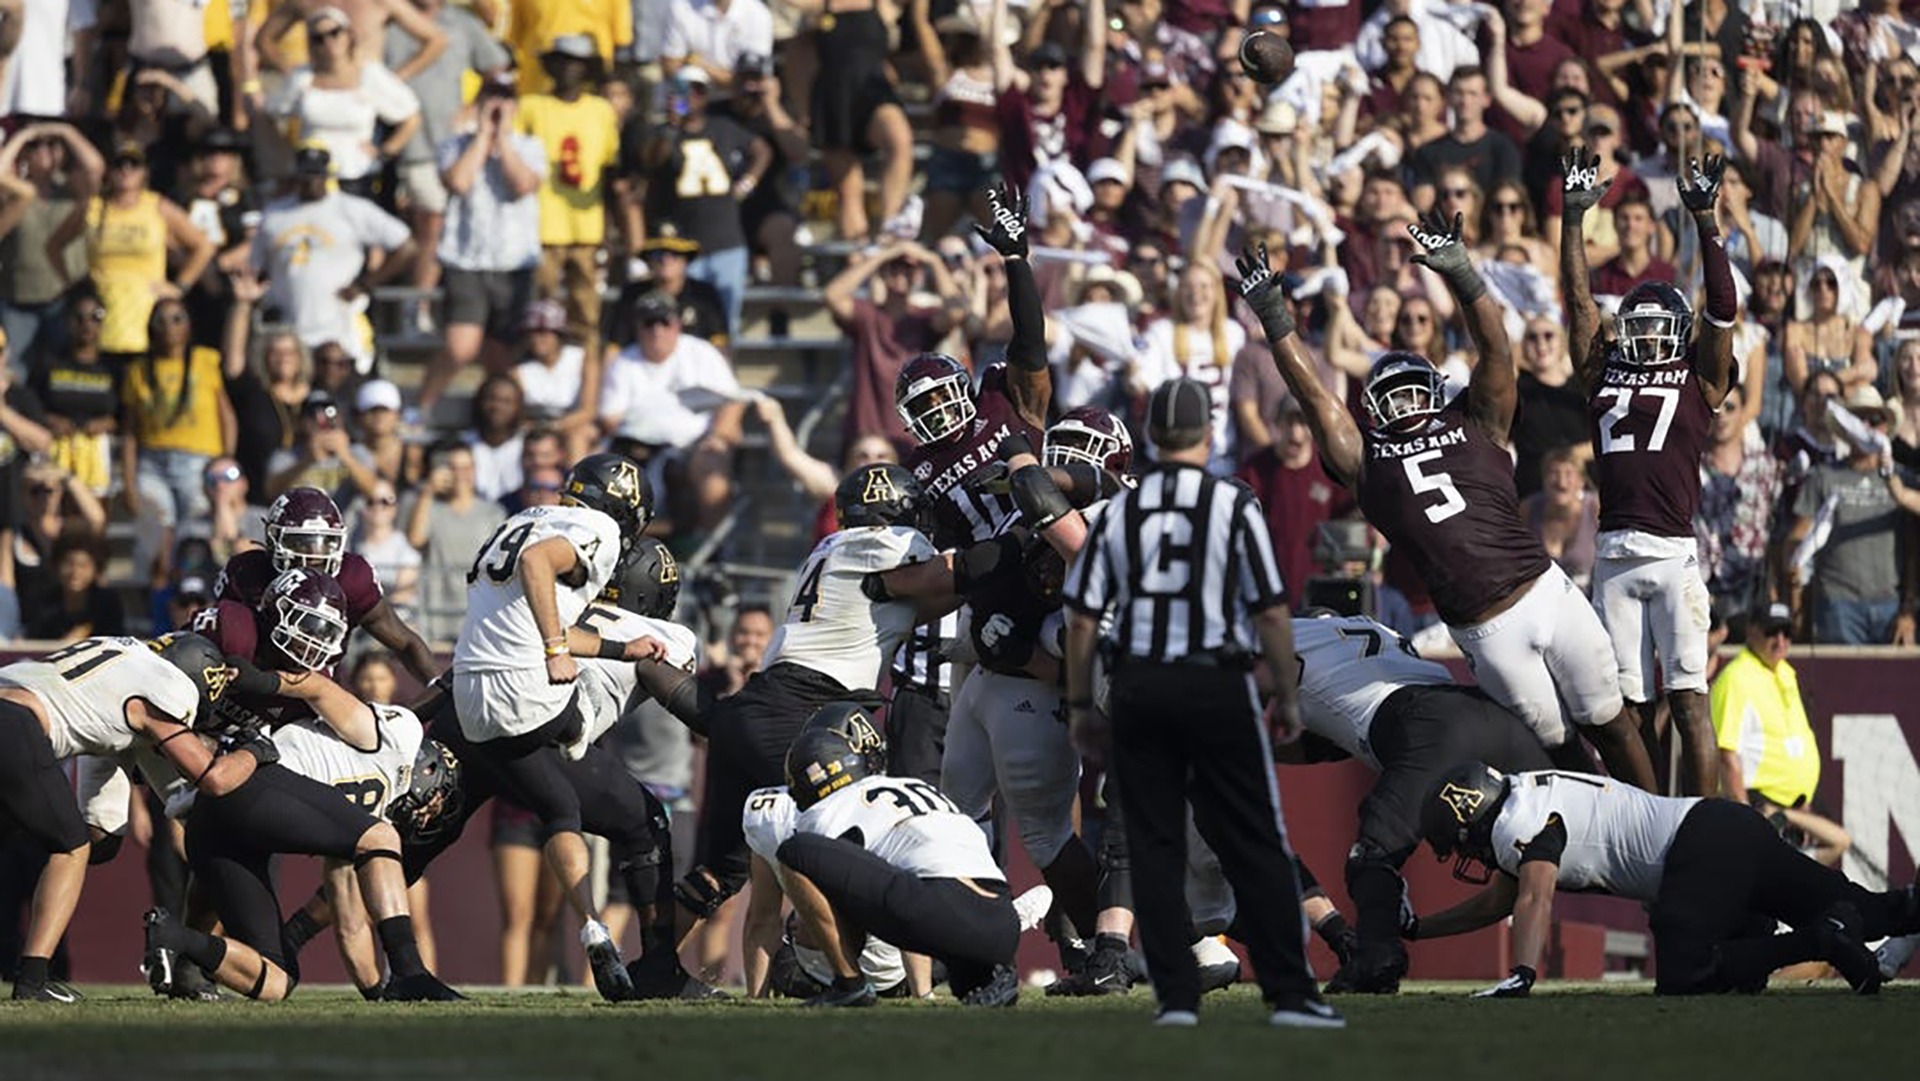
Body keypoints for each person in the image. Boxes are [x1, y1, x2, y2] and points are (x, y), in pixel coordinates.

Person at [1234, 226, 1650, 788]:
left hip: (1544, 591)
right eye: (1393, 394)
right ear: (1373, 408)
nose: (1405, 400)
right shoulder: (1367, 459)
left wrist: (1463, 274)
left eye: (1413, 387)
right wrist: (1274, 318)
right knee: (1557, 752)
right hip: (1486, 629)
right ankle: (1599, 832)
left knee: (1612, 723)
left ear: (1434, 388)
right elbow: (1315, 397)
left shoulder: (1475, 419)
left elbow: (1497, 351)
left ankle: (1662, 824)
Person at [1061, 376, 1341, 1030]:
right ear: (1208, 436)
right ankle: (1290, 992)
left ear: (1152, 437)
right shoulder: (1230, 503)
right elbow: (1271, 608)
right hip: (1213, 683)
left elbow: (1081, 618)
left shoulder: (1118, 511)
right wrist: (1286, 693)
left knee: (1153, 843)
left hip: (1138, 683)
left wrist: (1079, 706)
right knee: (1252, 838)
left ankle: (1177, 998)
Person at [669, 463, 965, 958]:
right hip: (804, 712)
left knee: (722, 870)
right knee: (847, 848)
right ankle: (834, 969)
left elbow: (923, 602)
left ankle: (654, 965)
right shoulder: (882, 544)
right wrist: (1014, 546)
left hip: (755, 707)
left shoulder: (833, 550)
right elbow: (943, 576)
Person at [448, 451, 667, 1000]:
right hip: (529, 692)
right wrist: (554, 649)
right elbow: (538, 564)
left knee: (560, 808)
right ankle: (579, 728)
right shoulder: (600, 529)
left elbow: (531, 606)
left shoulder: (523, 516)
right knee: (585, 707)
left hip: (470, 697)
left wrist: (619, 648)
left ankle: (592, 926)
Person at [1410, 761, 1916, 995]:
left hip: (1700, 851)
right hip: (1728, 826)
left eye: (1461, 843)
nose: (1468, 855)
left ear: (1474, 818)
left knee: (1683, 973)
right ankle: (1835, 932)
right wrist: (1416, 929)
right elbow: (1500, 901)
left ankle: (1823, 939)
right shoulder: (1524, 794)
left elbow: (1534, 899)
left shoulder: (1513, 824)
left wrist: (1522, 973)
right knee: (1874, 911)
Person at [1561, 147, 1736, 797]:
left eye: (1662, 328)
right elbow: (1578, 301)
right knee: (1630, 713)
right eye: (1640, 326)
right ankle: (1652, 820)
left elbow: (1723, 309)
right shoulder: (1602, 368)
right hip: (1612, 553)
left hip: (1670, 553)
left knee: (1689, 701)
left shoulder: (1700, 376)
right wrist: (1573, 220)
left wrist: (1707, 222)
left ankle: (1708, 824)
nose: (1650, 337)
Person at [1278, 610, 1551, 993]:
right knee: (1557, 850)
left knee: (1372, 855)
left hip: (1428, 726)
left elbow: (1255, 639)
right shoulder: (1376, 634)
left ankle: (1377, 958)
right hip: (1490, 717)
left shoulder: (1297, 633)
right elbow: (1326, 744)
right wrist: (1419, 929)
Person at [0, 632, 263, 1001]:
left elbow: (101, 835)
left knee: (55, 839)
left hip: (11, 707)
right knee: (70, 847)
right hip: (15, 726)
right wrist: (255, 750)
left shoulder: (120, 655)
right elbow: (209, 777)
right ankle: (33, 981)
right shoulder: (164, 689)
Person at [769, 715, 1054, 1006]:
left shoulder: (829, 809)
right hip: (1001, 921)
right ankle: (989, 976)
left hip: (940, 909)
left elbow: (832, 918)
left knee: (794, 851)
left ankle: (849, 985)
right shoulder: (911, 785)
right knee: (965, 981)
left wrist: (815, 928)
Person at [414, 72, 545, 419]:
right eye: (491, 97)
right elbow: (458, 181)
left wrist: (503, 140)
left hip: (514, 263)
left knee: (502, 355)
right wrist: (483, 135)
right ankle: (420, 409)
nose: (498, 105)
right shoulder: (455, 145)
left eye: (505, 98)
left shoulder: (530, 146)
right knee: (461, 348)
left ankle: (502, 419)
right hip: (466, 260)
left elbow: (522, 184)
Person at [219, 486, 440, 686]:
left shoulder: (352, 578)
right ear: (272, 539)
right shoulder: (246, 572)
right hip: (249, 687)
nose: (313, 554)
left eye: (325, 542)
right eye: (299, 543)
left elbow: (405, 642)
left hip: (316, 695)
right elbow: (217, 634)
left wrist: (439, 688)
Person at [250, 145, 417, 373]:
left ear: (328, 176)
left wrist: (365, 284)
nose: (311, 182)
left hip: (339, 329)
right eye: (306, 176)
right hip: (289, 329)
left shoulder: (351, 208)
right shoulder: (274, 213)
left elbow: (406, 246)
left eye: (317, 176)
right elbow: (257, 267)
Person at [1710, 602, 1850, 865]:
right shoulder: (1737, 678)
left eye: (1787, 633)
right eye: (1771, 632)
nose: (1781, 640)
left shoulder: (1785, 672)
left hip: (1790, 812)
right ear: (1751, 631)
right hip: (1758, 807)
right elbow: (1727, 754)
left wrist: (1802, 803)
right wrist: (1747, 821)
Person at [517, 35, 621, 359]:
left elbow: (608, 170)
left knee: (586, 308)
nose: (568, 70)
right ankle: (542, 364)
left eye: (576, 63)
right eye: (561, 61)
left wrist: (610, 226)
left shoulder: (600, 110)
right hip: (543, 225)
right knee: (542, 306)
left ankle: (587, 366)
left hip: (586, 225)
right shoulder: (531, 107)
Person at [264, 6, 422, 198]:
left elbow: (411, 117)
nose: (328, 42)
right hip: (313, 179)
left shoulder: (369, 75)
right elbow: (270, 112)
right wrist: (286, 154)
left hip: (357, 175)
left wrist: (385, 151)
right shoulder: (302, 77)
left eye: (334, 33)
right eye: (318, 38)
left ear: (349, 36)